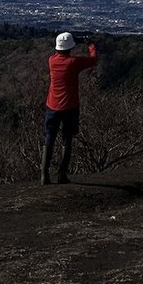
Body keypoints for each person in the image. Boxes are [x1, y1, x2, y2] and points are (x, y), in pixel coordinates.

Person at [41, 31, 98, 184]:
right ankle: (62, 175)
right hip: (70, 106)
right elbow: (93, 59)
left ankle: (44, 175)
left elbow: (62, 51)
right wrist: (90, 44)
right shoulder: (73, 63)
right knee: (66, 140)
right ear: (70, 47)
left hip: (52, 105)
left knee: (49, 138)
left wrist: (72, 42)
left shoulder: (51, 60)